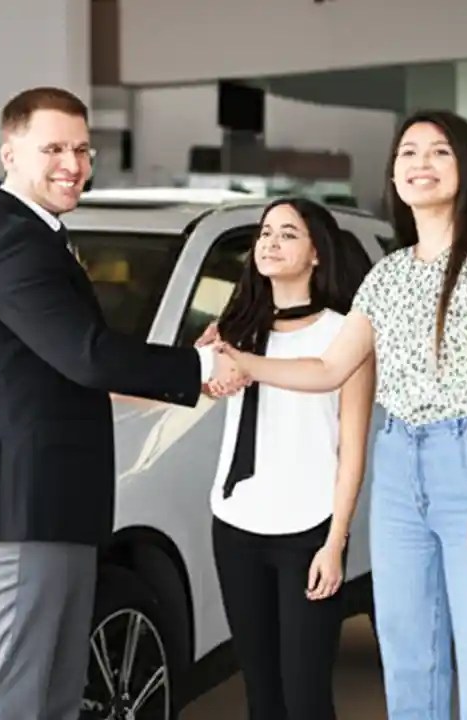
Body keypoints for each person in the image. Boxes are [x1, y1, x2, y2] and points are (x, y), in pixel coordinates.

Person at [215, 109, 467, 719]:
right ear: (393, 175)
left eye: (439, 152)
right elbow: (326, 369)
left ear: (465, 168)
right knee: (408, 652)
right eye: (408, 152)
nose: (421, 163)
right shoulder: (387, 276)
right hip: (397, 465)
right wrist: (242, 360)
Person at [0, 86, 246, 720]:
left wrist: (187, 363)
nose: (73, 163)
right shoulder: (13, 243)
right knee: (11, 699)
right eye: (52, 147)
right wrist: (200, 367)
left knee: (51, 696)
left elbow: (71, 363)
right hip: (27, 515)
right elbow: (86, 354)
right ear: (10, 154)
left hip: (53, 509)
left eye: (81, 148)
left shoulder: (37, 236)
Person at [197, 197, 374, 719]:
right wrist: (206, 362)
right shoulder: (235, 328)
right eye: (265, 233)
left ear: (317, 253)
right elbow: (207, 387)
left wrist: (335, 542)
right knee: (261, 693)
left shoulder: (345, 334)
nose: (270, 243)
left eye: (288, 234)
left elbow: (353, 448)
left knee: (306, 697)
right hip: (235, 523)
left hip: (307, 531)